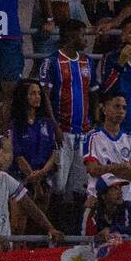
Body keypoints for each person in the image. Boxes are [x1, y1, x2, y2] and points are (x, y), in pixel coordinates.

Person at [38, 18, 93, 203]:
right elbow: (44, 95)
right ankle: (54, 227)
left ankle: (75, 230)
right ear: (71, 36)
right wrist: (54, 127)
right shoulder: (52, 61)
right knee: (57, 186)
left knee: (79, 187)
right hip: (62, 132)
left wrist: (95, 123)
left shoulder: (87, 62)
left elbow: (94, 94)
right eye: (83, 35)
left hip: (84, 133)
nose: (86, 40)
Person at [82, 93, 131, 224]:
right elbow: (92, 170)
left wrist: (105, 168)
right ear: (104, 109)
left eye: (124, 108)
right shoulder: (93, 137)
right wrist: (121, 166)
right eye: (117, 106)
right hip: (99, 202)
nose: (121, 111)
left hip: (128, 201)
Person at [7, 79, 58, 217]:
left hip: (44, 176)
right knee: (19, 220)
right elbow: (18, 156)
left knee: (42, 218)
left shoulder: (47, 123)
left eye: (39, 93)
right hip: (22, 177)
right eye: (33, 93)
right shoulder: (15, 124)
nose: (37, 97)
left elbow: (53, 152)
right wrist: (35, 183)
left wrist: (42, 173)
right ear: (24, 97)